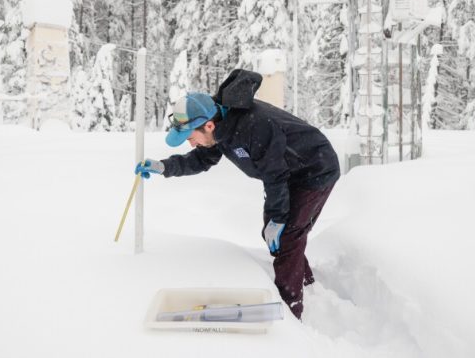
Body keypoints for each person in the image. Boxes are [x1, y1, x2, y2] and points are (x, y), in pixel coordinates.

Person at [135, 69, 340, 319]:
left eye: (190, 137)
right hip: (286, 172)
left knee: (287, 234)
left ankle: (290, 310)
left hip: (314, 169)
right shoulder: (219, 126)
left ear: (208, 125)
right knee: (278, 234)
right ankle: (305, 281)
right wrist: (164, 167)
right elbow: (202, 159)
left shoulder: (253, 126)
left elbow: (275, 176)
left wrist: (277, 219)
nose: (191, 143)